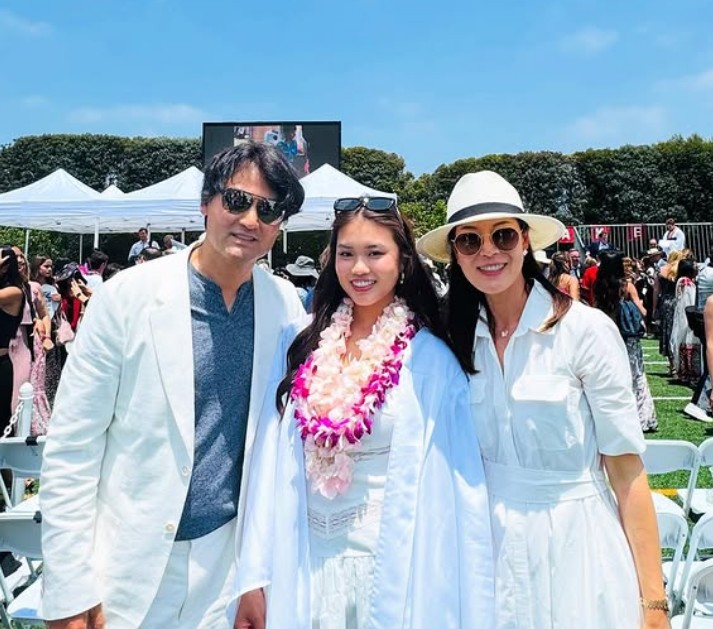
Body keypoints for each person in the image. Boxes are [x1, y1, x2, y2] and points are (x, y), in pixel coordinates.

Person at [40, 142, 306, 629]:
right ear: (206, 203)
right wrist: (69, 591)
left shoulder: (284, 304)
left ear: (279, 225)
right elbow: (73, 448)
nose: (250, 220)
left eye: (268, 210)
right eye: (237, 201)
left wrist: (260, 576)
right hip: (129, 564)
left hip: (228, 564)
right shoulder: (126, 297)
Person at [417, 171, 668, 629]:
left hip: (580, 548)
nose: (488, 251)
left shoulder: (585, 332)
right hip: (484, 553)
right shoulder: (452, 342)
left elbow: (627, 473)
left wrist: (654, 603)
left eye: (503, 235)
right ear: (455, 252)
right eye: (470, 240)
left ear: (526, 240)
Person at [234, 196, 494, 628]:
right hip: (302, 562)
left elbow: (459, 490)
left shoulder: (430, 360)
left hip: (393, 570)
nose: (359, 268)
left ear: (403, 261)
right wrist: (254, 576)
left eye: (375, 253)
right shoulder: (300, 343)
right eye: (346, 254)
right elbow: (268, 464)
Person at [593, 250, 658, 432]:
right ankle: (643, 418)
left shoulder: (599, 285)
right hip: (628, 336)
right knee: (636, 376)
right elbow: (641, 309)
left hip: (606, 334)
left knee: (609, 375)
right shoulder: (626, 285)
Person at [670, 258, 701, 387]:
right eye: (694, 265)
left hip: (682, 316)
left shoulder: (682, 280)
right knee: (689, 341)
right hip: (687, 316)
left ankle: (685, 373)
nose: (697, 267)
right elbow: (690, 301)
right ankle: (691, 374)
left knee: (684, 342)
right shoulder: (686, 282)